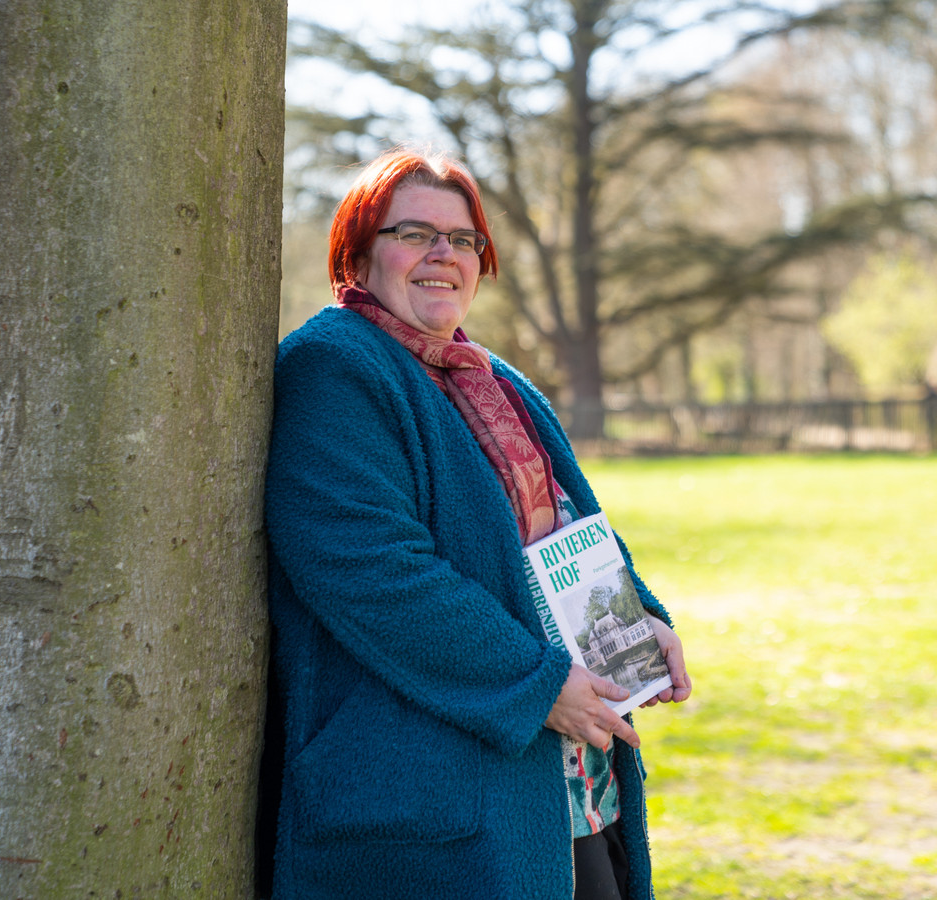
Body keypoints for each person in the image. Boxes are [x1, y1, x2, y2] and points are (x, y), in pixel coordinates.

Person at [263, 148, 691, 900]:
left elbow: (571, 526)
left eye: (463, 239)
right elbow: (371, 570)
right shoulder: (332, 367)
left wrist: (639, 621)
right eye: (414, 234)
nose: (444, 254)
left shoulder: (494, 378)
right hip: (436, 801)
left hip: (575, 784)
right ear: (357, 254)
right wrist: (535, 684)